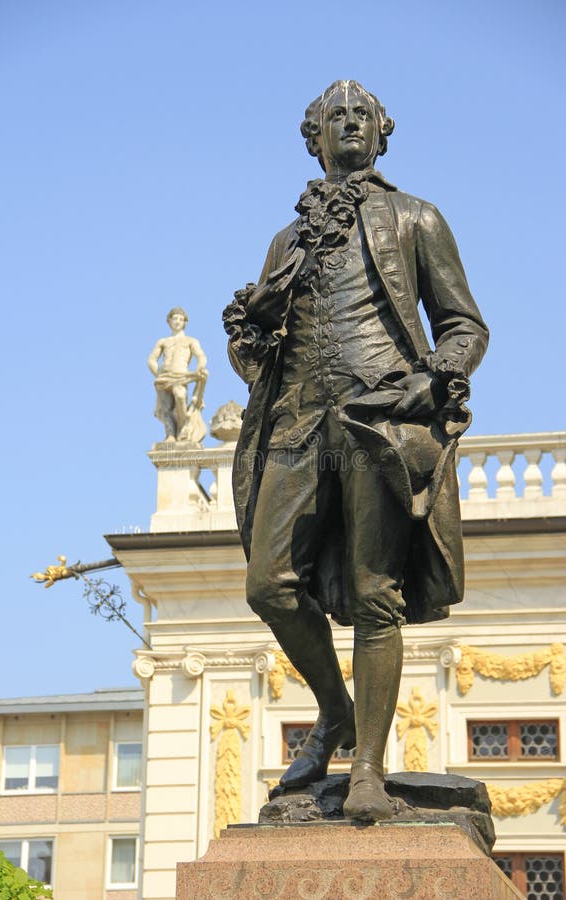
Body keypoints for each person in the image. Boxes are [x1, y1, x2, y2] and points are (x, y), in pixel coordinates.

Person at [223, 80, 488, 821]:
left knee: (378, 596)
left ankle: (367, 768)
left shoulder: (416, 217)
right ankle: (334, 714)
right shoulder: (288, 240)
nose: (348, 123)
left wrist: (435, 378)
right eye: (333, 116)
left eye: (361, 115)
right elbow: (265, 350)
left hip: (377, 421)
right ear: (312, 136)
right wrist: (251, 334)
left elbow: (465, 326)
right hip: (299, 421)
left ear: (381, 133)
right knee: (268, 585)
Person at [148, 307, 208, 443]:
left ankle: (183, 427)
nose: (177, 322)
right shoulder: (163, 341)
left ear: (185, 322)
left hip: (181, 376)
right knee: (166, 406)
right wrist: (157, 373)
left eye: (181, 319)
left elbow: (201, 356)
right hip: (164, 377)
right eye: (175, 318)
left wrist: (199, 368)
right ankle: (170, 434)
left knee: (180, 396)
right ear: (169, 321)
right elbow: (151, 359)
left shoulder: (190, 341)